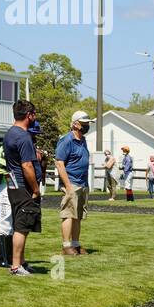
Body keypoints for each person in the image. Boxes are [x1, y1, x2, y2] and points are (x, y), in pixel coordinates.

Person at [3, 100, 42, 276]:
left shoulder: (11, 132)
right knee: (22, 226)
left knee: (22, 225)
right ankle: (16, 266)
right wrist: (35, 189)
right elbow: (26, 166)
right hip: (23, 186)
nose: (35, 117)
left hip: (13, 183)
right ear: (29, 115)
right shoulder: (23, 136)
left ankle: (22, 262)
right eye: (34, 114)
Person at [55, 110, 92, 256]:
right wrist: (68, 186)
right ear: (76, 124)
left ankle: (75, 244)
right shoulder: (67, 140)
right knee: (68, 214)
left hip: (82, 183)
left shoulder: (83, 140)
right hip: (72, 183)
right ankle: (66, 245)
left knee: (78, 215)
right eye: (84, 123)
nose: (87, 126)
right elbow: (59, 163)